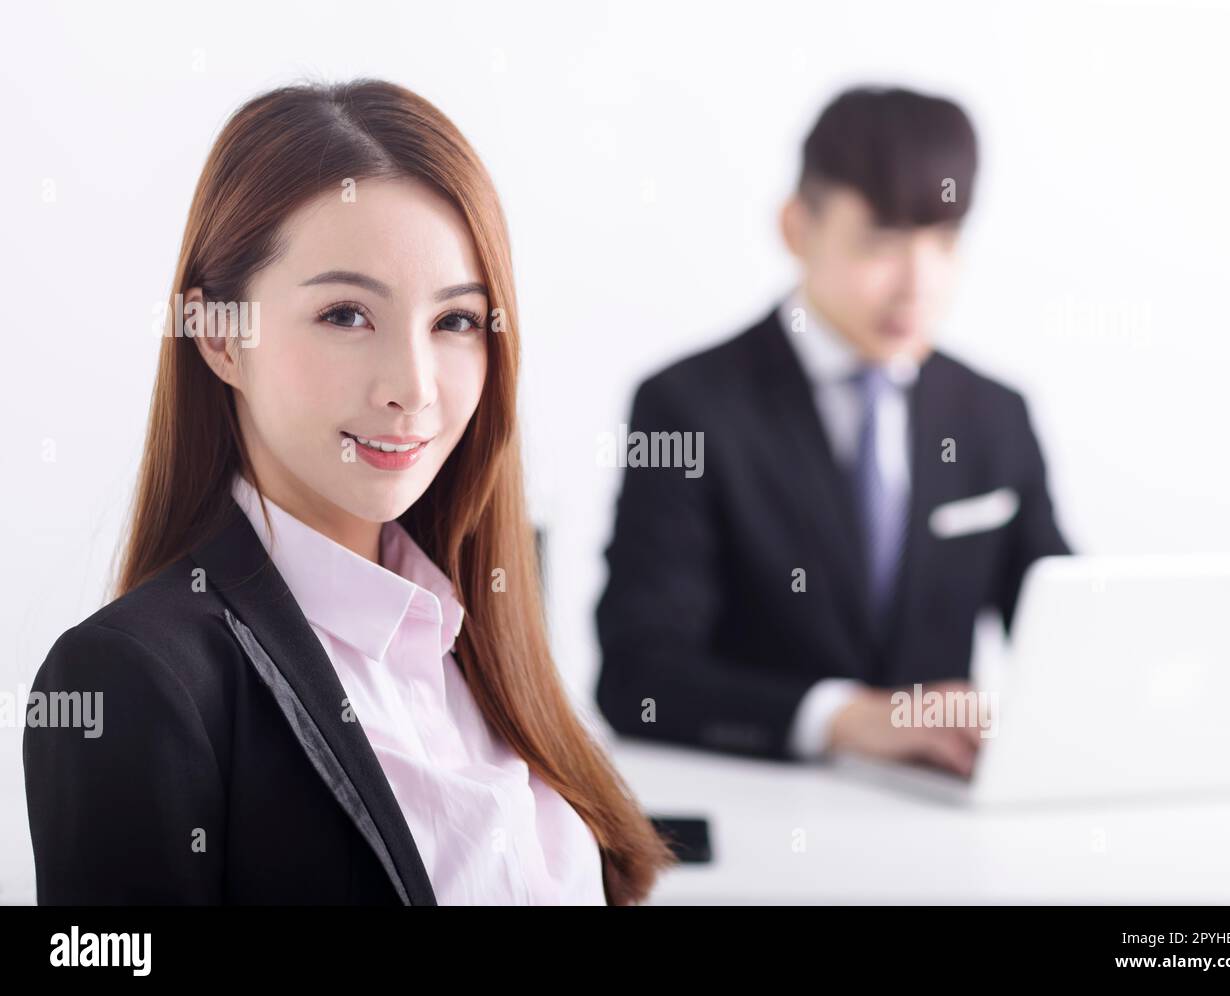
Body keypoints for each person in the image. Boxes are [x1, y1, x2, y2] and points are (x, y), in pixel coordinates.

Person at [24, 78, 673, 906]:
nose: (413, 386)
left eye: (455, 322)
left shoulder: (476, 631)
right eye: (345, 315)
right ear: (219, 336)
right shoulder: (133, 678)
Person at [595, 86, 1071, 778]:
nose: (919, 284)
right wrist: (844, 719)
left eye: (943, 242)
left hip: (948, 831)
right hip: (762, 816)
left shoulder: (993, 413)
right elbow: (637, 676)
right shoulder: (687, 406)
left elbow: (1062, 622)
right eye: (881, 242)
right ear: (797, 228)